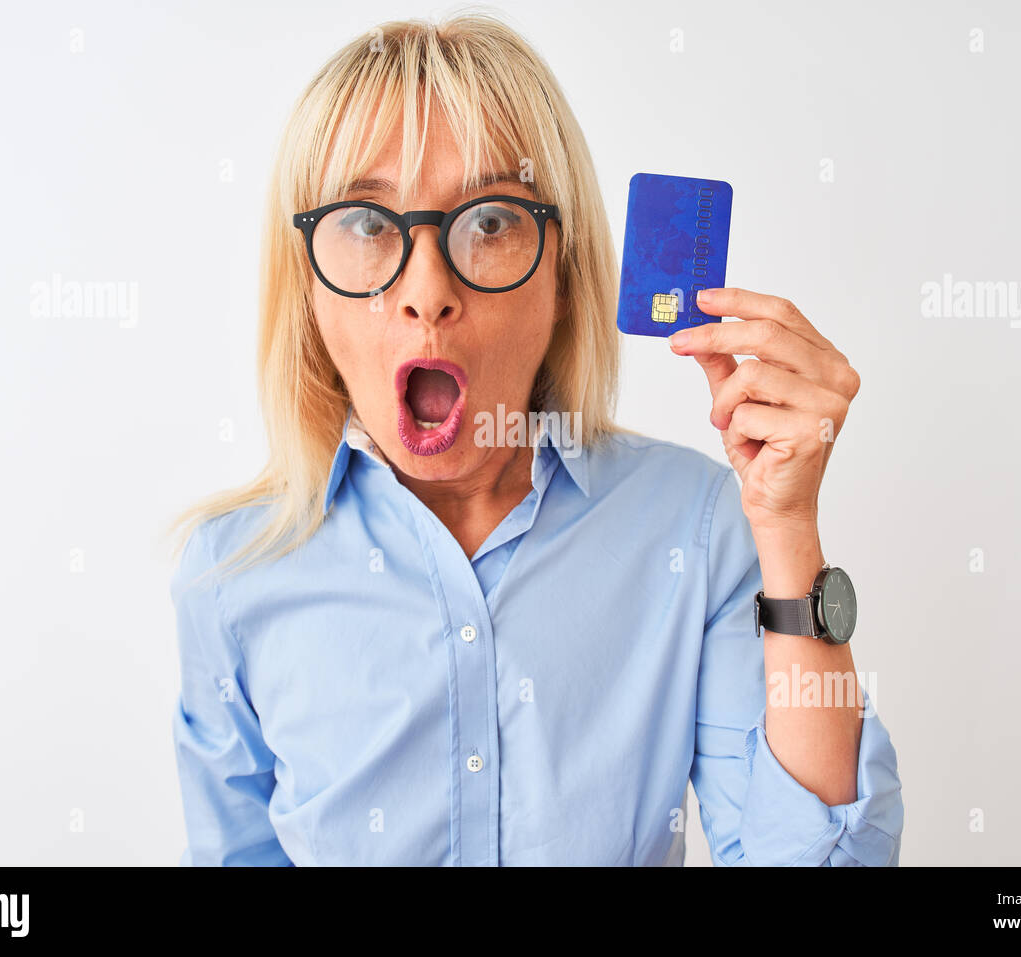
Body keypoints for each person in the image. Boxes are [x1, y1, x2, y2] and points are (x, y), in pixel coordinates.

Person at [168, 11, 903, 866]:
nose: (428, 291)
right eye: (369, 227)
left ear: (562, 274)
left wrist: (788, 529)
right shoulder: (229, 578)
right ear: (309, 294)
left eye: (488, 223)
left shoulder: (693, 525)